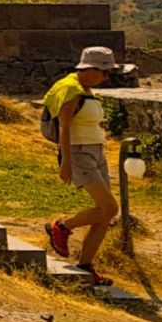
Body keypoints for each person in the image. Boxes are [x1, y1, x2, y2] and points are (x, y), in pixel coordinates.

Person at [44, 47, 125, 284]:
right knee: (110, 207)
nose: (106, 77)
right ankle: (61, 226)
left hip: (95, 151)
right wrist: (66, 161)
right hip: (79, 152)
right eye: (103, 72)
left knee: (104, 214)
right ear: (89, 69)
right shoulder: (71, 89)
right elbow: (64, 127)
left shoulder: (86, 89)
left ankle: (86, 264)